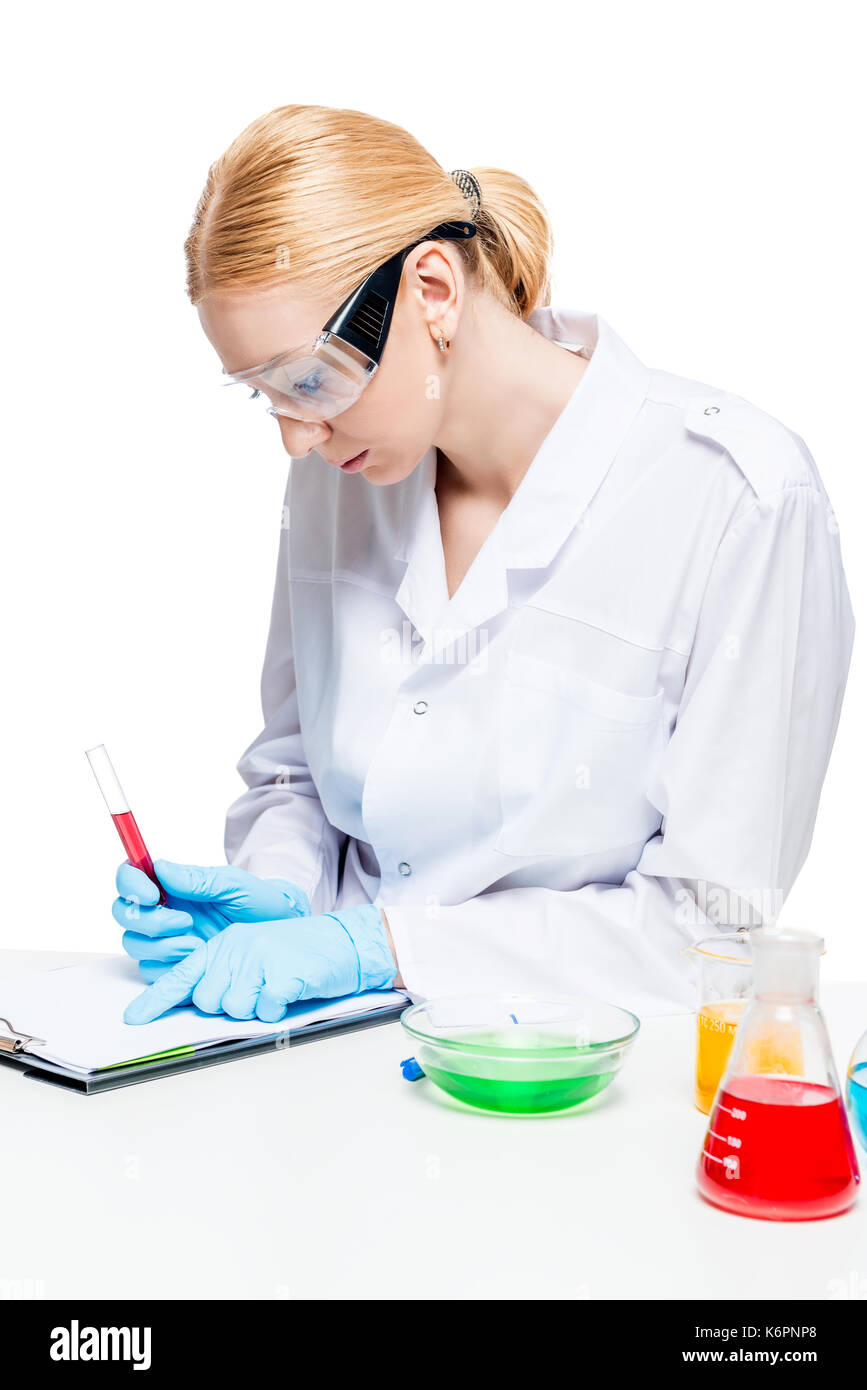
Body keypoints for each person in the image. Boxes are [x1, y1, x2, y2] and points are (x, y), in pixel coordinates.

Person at [117, 104, 854, 1026]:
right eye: (263, 397)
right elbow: (296, 775)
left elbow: (717, 931)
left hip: (579, 1088)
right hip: (329, 1072)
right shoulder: (338, 474)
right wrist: (276, 903)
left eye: (308, 381)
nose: (295, 438)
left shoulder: (739, 499)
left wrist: (380, 948)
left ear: (430, 288)